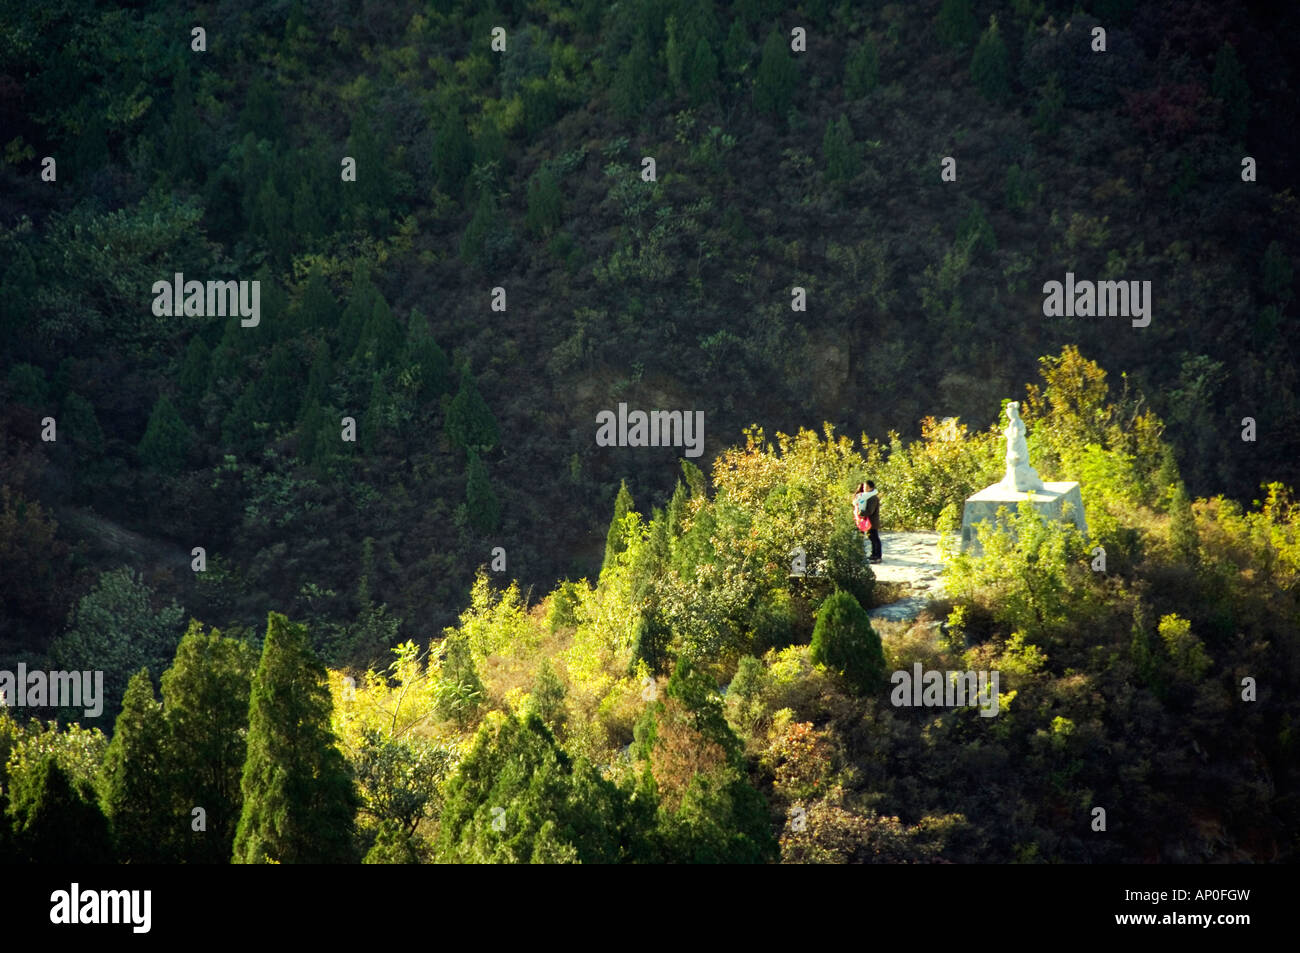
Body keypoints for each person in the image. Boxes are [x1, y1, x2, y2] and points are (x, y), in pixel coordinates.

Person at [852, 481, 882, 564]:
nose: (864, 488)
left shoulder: (872, 498)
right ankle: (874, 554)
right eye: (864, 487)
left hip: (872, 522)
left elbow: (870, 511)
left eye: (866, 487)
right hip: (868, 522)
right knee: (872, 538)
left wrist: (860, 513)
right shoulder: (867, 497)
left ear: (871, 487)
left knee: (875, 538)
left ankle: (878, 556)